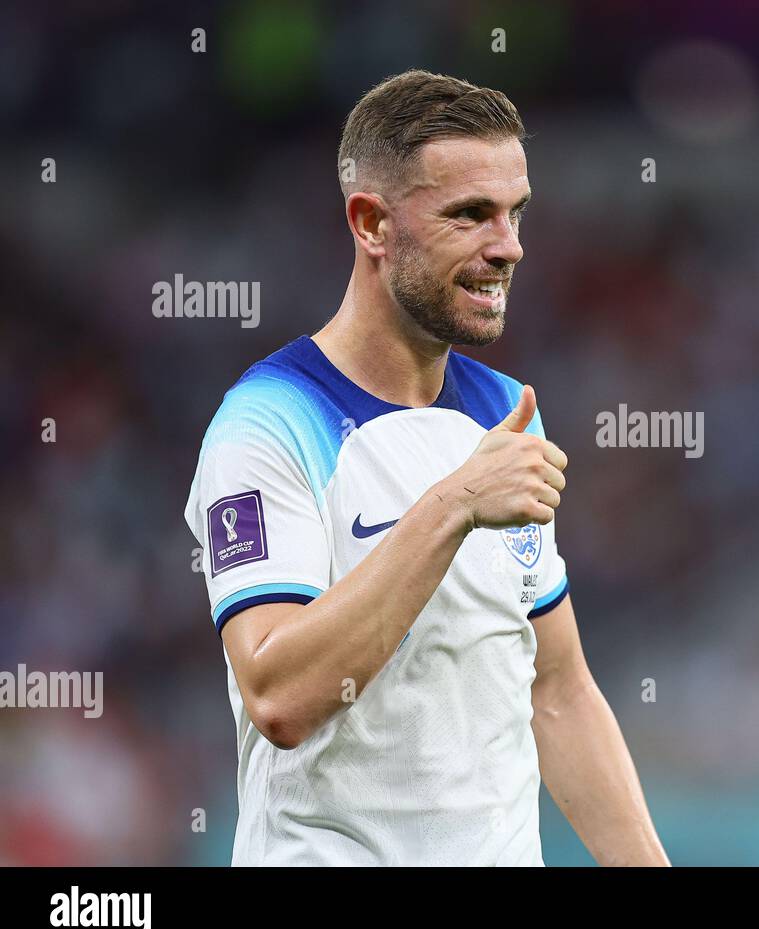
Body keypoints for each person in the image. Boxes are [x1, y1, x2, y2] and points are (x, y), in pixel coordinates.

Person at [183, 70, 668, 866]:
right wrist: (453, 506)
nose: (508, 245)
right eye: (470, 214)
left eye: (516, 214)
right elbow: (278, 696)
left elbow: (559, 689)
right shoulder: (265, 423)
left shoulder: (503, 410)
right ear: (372, 224)